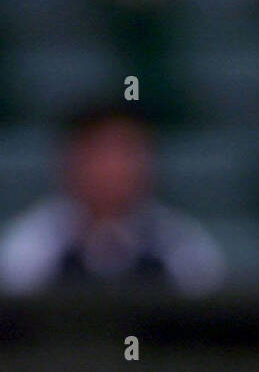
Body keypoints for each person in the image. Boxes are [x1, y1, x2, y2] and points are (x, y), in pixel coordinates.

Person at [0, 105, 225, 294]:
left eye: (126, 153)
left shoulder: (182, 245)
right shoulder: (30, 245)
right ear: (68, 162)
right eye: (100, 153)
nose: (112, 168)